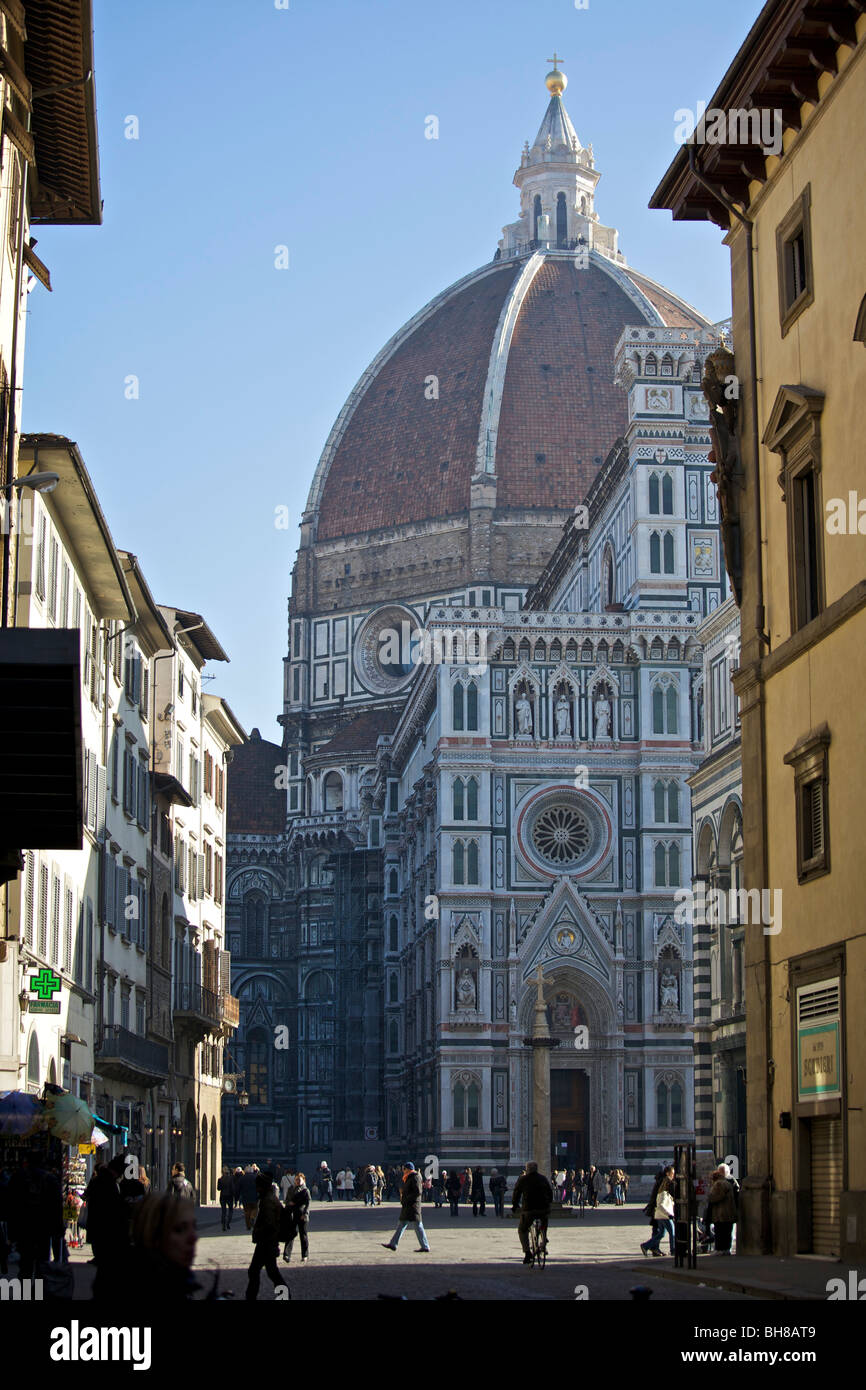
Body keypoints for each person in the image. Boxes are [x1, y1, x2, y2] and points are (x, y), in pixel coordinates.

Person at [101, 1194, 199, 1303]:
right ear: (153, 1233)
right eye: (179, 1229)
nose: (193, 1238)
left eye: (194, 1227)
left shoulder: (179, 1280)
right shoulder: (136, 1286)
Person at [7, 1153, 65, 1281]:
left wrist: (11, 1231)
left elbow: (10, 1204)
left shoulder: (18, 1177)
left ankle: (26, 1293)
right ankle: (38, 1293)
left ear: (27, 1162)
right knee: (42, 1264)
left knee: (25, 1264)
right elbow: (57, 1206)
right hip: (43, 1227)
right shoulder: (50, 1179)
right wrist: (59, 1229)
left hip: (24, 1226)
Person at [246, 1173, 290, 1300]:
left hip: (266, 1244)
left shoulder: (268, 1201)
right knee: (271, 1272)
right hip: (267, 1243)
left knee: (256, 1271)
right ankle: (285, 1297)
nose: (256, 1188)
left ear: (262, 1186)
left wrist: (259, 1233)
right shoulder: (268, 1198)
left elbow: (269, 1225)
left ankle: (252, 1297)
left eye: (257, 1186)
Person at [82, 1156, 128, 1276]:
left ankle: (30, 1293)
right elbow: (114, 1204)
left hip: (98, 1220)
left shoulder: (99, 1179)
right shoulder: (109, 1183)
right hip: (105, 1222)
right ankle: (30, 1293)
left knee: (31, 1268)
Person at [381, 1162, 430, 1253]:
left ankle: (425, 1246)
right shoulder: (410, 1177)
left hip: (413, 1206)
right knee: (402, 1224)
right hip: (409, 1206)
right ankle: (393, 1244)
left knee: (417, 1225)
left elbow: (417, 1191)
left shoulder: (415, 1177)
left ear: (408, 1169)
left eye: (404, 1169)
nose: (403, 1171)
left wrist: (407, 1199)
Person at [511, 1161, 553, 1265]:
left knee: (522, 1230)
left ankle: (527, 1253)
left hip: (529, 1209)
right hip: (543, 1208)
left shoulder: (523, 1179)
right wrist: (549, 1203)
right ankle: (544, 1238)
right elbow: (550, 1192)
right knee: (544, 1222)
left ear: (527, 1169)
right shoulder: (543, 1178)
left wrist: (515, 1205)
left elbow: (516, 1193)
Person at [641, 1164, 676, 1257]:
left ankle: (648, 1246)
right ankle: (672, 1249)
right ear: (668, 1173)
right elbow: (661, 1203)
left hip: (657, 1212)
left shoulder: (661, 1181)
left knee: (660, 1232)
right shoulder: (664, 1185)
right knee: (670, 1232)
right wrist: (669, 1213)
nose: (673, 1176)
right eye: (672, 1174)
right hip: (662, 1213)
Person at [707, 1163, 738, 1254]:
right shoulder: (727, 1183)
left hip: (721, 1213)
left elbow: (714, 1197)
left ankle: (720, 1249)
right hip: (728, 1212)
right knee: (727, 1232)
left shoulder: (719, 1184)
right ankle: (726, 1249)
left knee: (720, 1232)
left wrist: (709, 1196)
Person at [282, 1172, 310, 1263]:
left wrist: (305, 1214)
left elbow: (308, 1204)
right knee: (291, 1234)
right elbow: (286, 1201)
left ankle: (305, 1255)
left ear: (303, 1180)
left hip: (302, 1215)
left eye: (299, 1180)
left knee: (303, 1235)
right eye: (296, 1179)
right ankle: (286, 1254)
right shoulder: (291, 1189)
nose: (297, 1181)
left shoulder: (305, 1190)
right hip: (293, 1214)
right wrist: (288, 1204)